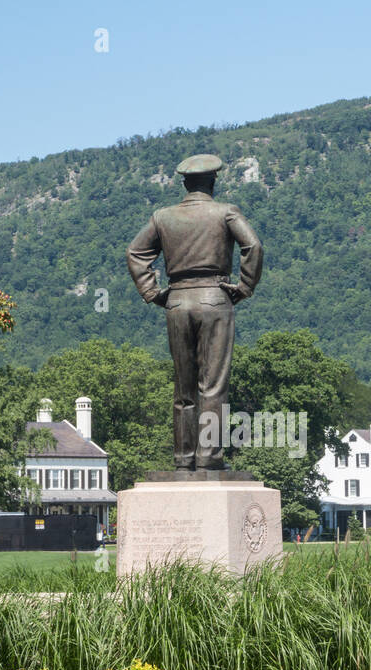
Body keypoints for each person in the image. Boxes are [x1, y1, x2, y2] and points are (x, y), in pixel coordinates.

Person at [126, 154, 263, 470]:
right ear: (213, 181)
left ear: (185, 183)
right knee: (212, 385)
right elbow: (253, 247)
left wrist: (152, 292)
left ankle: (183, 458)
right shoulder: (225, 212)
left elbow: (135, 252)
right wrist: (244, 287)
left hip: (176, 302)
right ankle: (209, 456)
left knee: (183, 387)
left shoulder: (163, 217)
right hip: (215, 298)